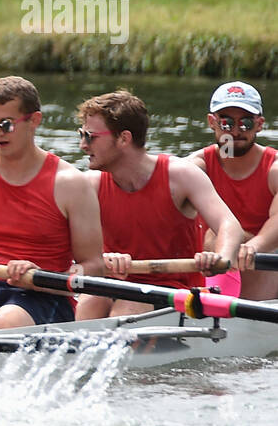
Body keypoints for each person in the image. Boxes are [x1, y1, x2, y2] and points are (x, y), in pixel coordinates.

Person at [0, 76, 104, 332]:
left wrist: (44, 277)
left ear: (34, 121)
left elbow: (94, 266)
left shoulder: (70, 183)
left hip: (47, 295)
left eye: (6, 124)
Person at [75, 90, 246, 319]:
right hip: (115, 284)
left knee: (127, 305)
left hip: (176, 294)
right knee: (88, 302)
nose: (82, 145)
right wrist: (100, 259)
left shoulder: (180, 175)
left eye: (90, 136)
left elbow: (228, 223)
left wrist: (220, 258)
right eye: (82, 135)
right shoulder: (91, 185)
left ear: (124, 139)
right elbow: (67, 247)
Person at [188, 81, 278, 299]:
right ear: (212, 122)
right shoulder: (195, 167)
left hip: (260, 265)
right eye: (226, 123)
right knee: (215, 237)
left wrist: (254, 246)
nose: (236, 132)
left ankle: (249, 317)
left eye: (245, 123)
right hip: (207, 262)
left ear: (259, 124)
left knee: (246, 244)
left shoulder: (274, 169)